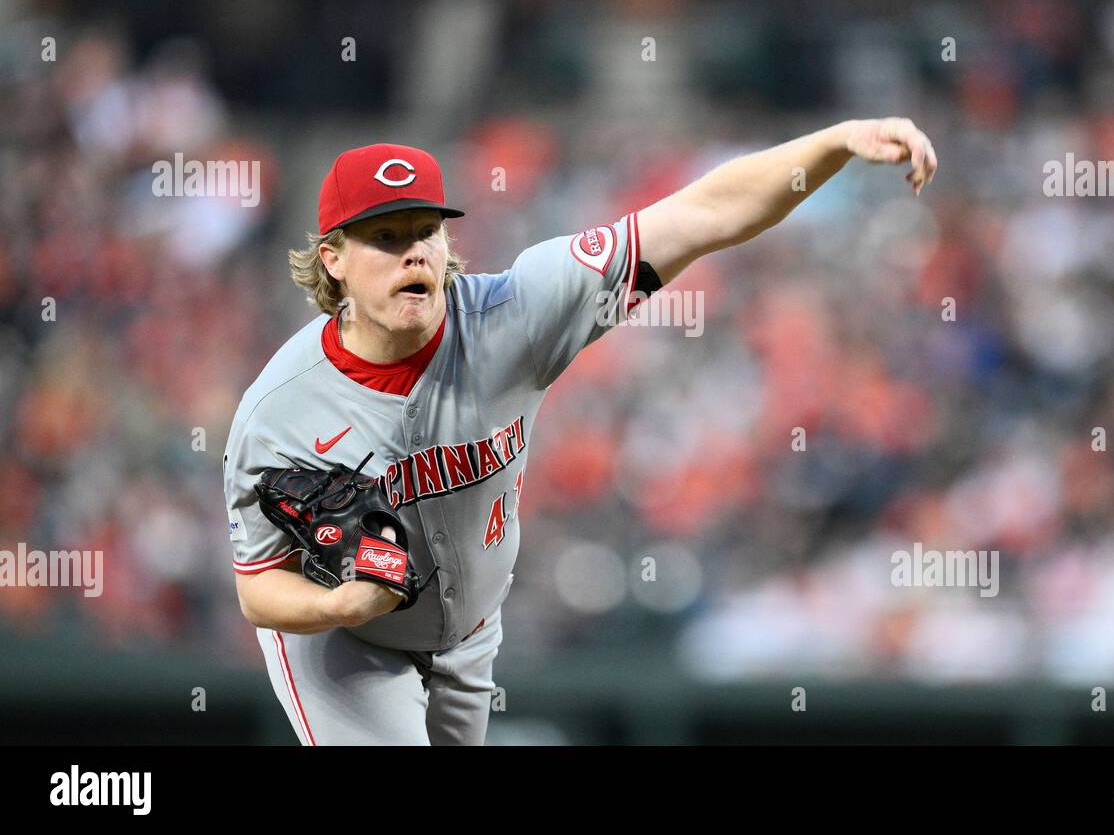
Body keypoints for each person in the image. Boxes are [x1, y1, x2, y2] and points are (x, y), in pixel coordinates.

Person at [223, 122, 937, 745]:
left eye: (426, 231)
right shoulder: (281, 412)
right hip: (347, 646)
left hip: (469, 633)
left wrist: (835, 142)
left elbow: (701, 215)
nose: (414, 253)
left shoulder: (515, 314)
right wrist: (332, 606)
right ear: (333, 260)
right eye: (384, 237)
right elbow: (258, 588)